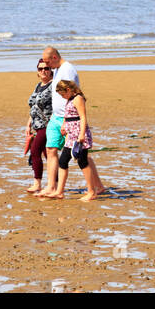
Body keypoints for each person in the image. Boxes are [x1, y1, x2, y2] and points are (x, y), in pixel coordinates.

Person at [36, 46, 105, 198]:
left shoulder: (67, 70)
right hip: (59, 117)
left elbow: (75, 99)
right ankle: (53, 188)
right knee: (53, 151)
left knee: (82, 158)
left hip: (69, 121)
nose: (47, 66)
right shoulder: (58, 69)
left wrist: (67, 123)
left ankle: (95, 188)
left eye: (48, 62)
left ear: (54, 57)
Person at [51, 80, 102, 201]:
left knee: (82, 161)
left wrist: (82, 134)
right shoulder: (69, 99)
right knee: (63, 161)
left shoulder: (78, 98)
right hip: (70, 135)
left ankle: (91, 192)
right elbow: (67, 115)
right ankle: (59, 191)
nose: (62, 97)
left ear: (68, 90)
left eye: (63, 94)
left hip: (78, 134)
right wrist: (64, 125)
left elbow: (83, 117)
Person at [23, 60, 56, 194]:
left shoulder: (53, 86)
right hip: (37, 125)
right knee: (48, 155)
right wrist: (29, 122)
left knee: (35, 151)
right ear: (37, 71)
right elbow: (34, 106)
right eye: (40, 68)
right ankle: (55, 183)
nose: (43, 71)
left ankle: (37, 183)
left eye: (46, 68)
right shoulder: (38, 86)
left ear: (51, 70)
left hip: (48, 125)